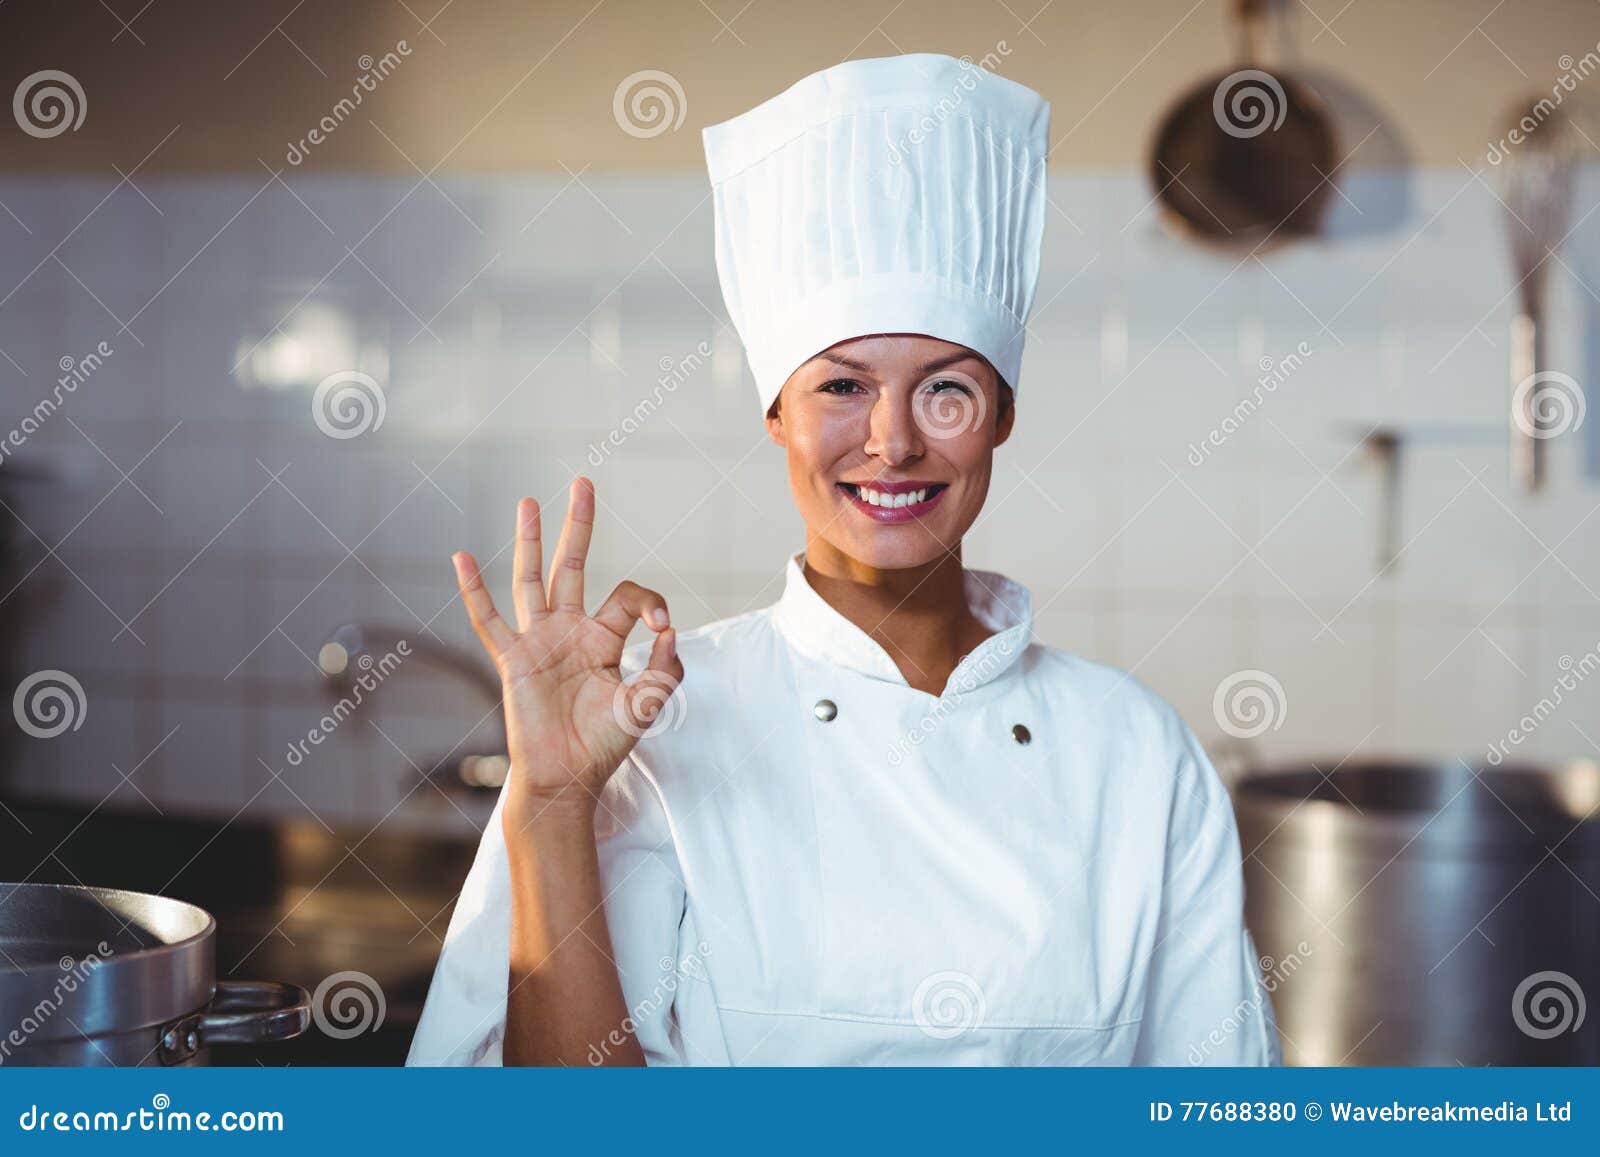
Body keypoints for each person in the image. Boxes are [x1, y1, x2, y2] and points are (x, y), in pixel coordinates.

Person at [406, 52, 1279, 1067]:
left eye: (945, 387)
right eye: (842, 388)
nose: (894, 441)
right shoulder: (656, 724)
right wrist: (553, 800)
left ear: (1000, 413)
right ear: (776, 412)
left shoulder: (1134, 751)